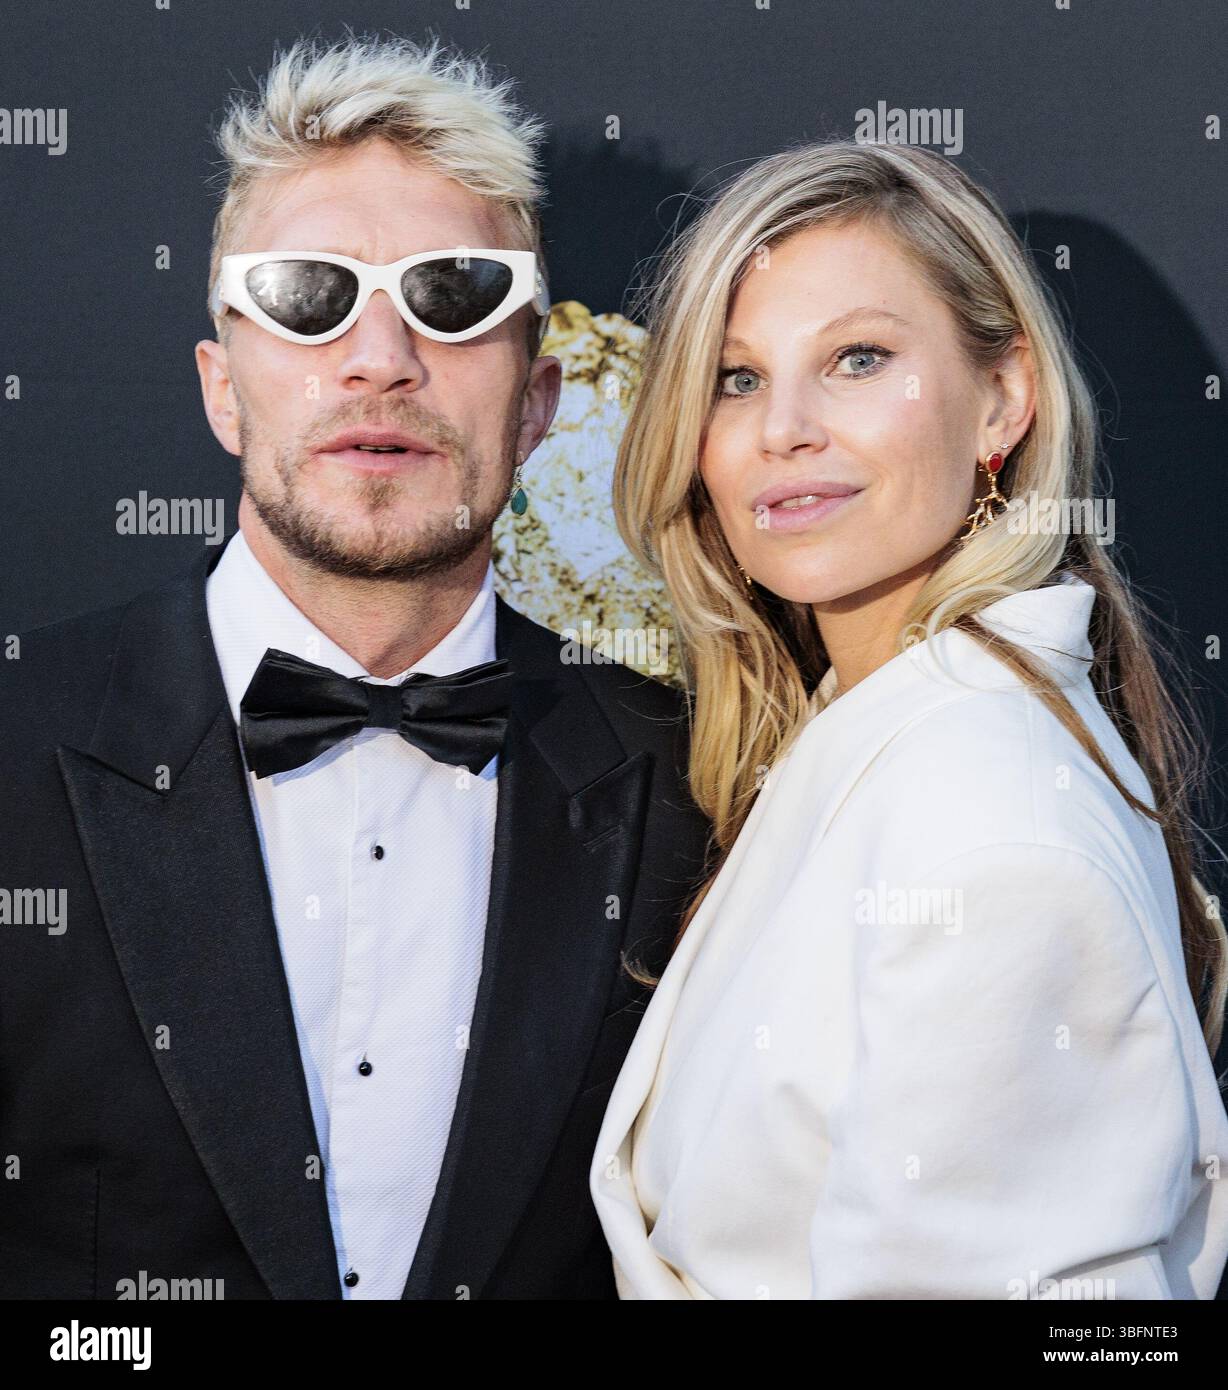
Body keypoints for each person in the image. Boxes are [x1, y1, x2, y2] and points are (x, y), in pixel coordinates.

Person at [0, 35, 708, 1301]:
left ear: (537, 401)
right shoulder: (17, 741)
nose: (381, 357)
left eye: (452, 293)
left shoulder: (692, 775)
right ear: (224, 389)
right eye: (309, 294)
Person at [590, 139, 1228, 1299]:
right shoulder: (873, 742)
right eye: (736, 378)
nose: (782, 426)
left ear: (1002, 400)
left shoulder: (987, 833)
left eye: (858, 358)